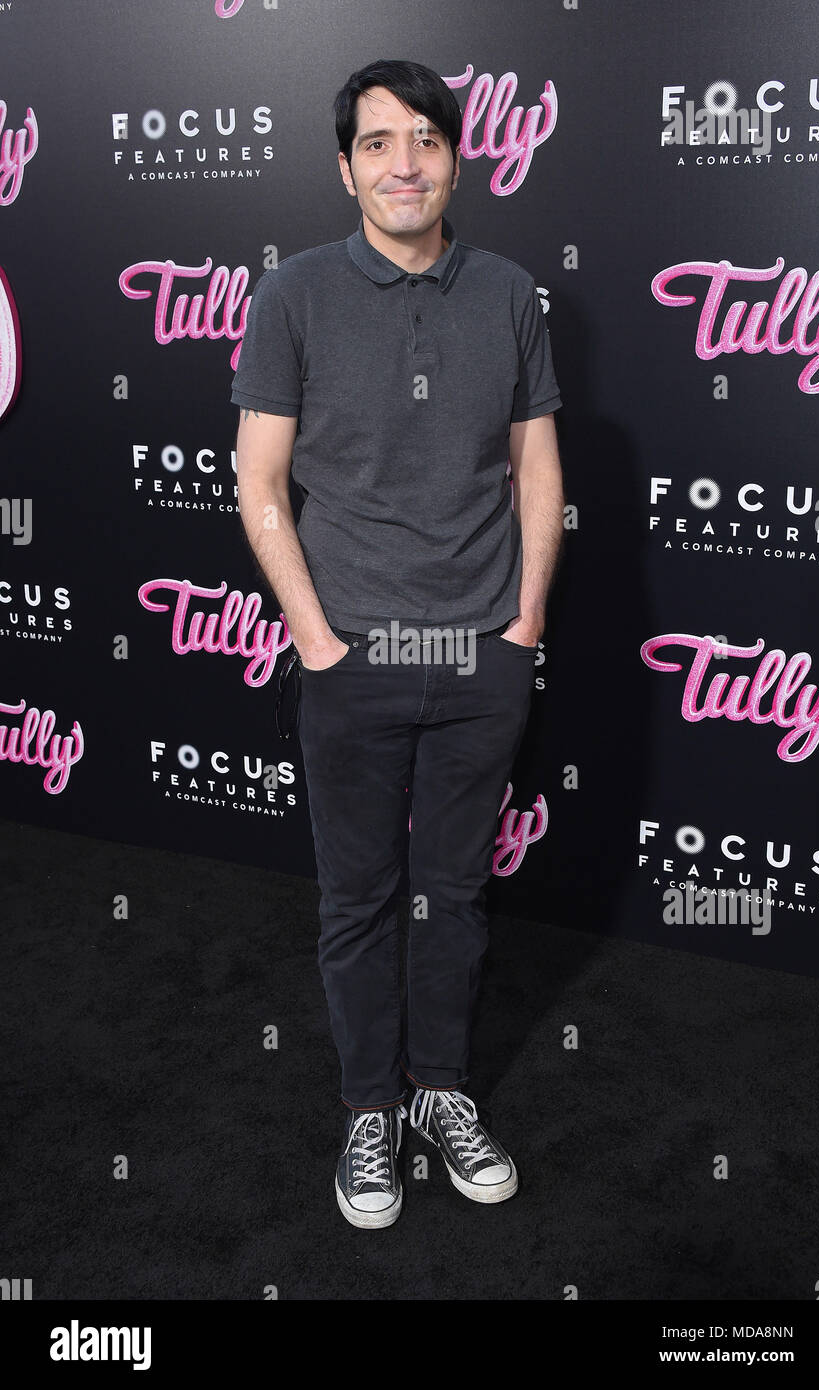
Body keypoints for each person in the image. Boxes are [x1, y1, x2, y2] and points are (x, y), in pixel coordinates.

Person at [231, 58, 564, 1229]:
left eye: (424, 138)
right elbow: (258, 481)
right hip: (352, 653)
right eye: (377, 142)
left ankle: (440, 1091)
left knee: (455, 894)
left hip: (482, 653)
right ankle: (370, 1107)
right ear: (345, 166)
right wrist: (316, 637)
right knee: (358, 898)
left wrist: (521, 626)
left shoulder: (513, 293)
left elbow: (536, 471)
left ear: (457, 156)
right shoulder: (294, 297)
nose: (404, 162)